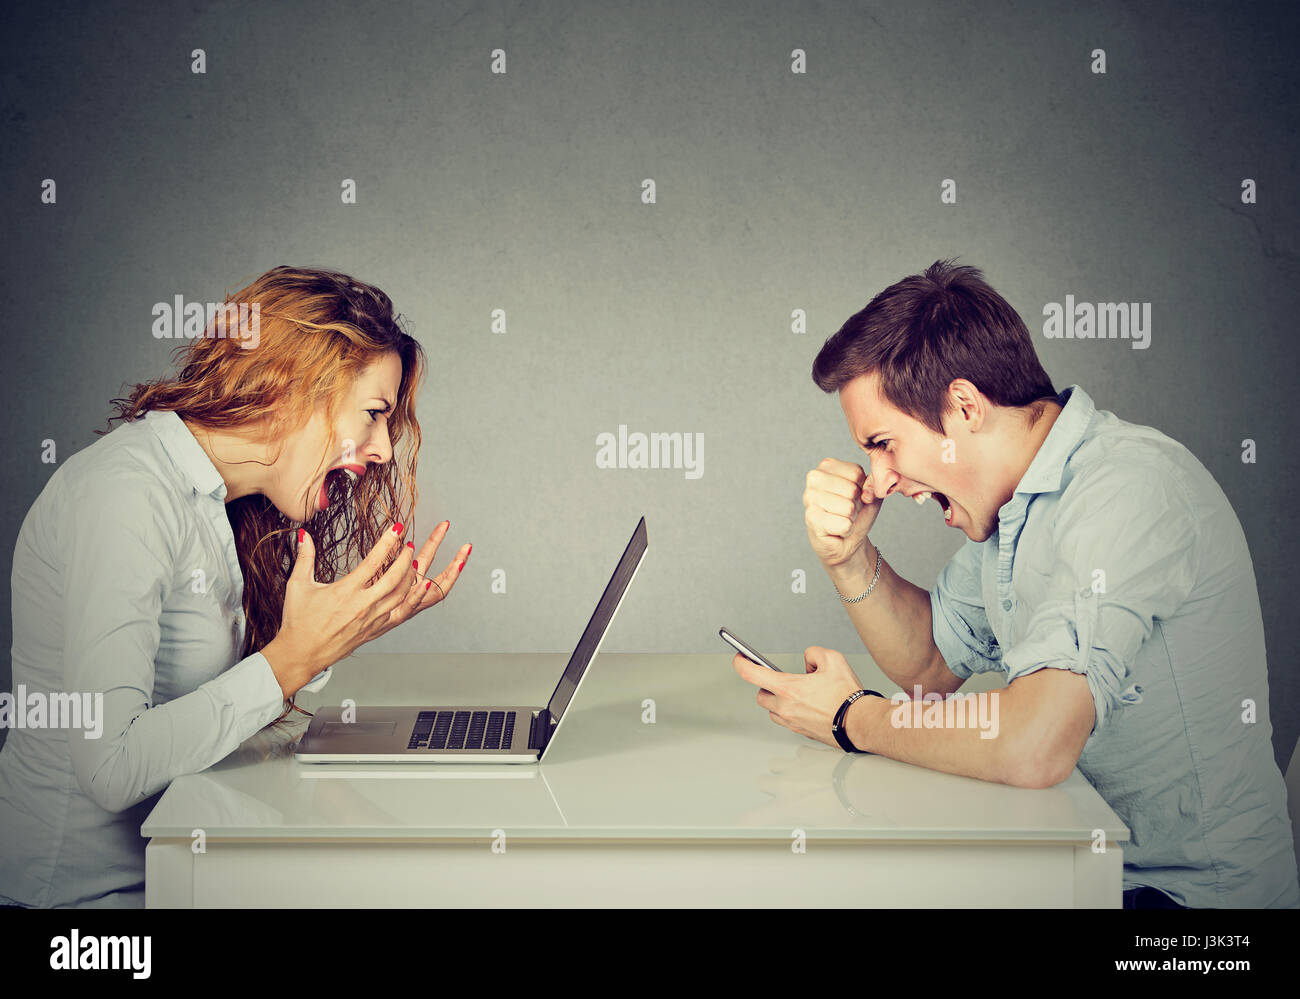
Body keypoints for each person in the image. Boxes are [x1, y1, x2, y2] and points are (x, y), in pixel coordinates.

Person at [732, 258, 1299, 908]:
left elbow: (1034, 746)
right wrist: (849, 558)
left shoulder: (1126, 490)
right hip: (1082, 866)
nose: (879, 479)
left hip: (1185, 909)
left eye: (884, 443)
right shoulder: (1013, 505)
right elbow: (930, 663)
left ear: (966, 406)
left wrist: (850, 716)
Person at [0, 265, 471, 907]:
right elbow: (109, 767)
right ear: (294, 389)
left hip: (182, 874)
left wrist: (333, 637)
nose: (384, 448)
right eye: (373, 413)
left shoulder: (229, 506)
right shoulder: (125, 497)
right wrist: (292, 659)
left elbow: (222, 715)